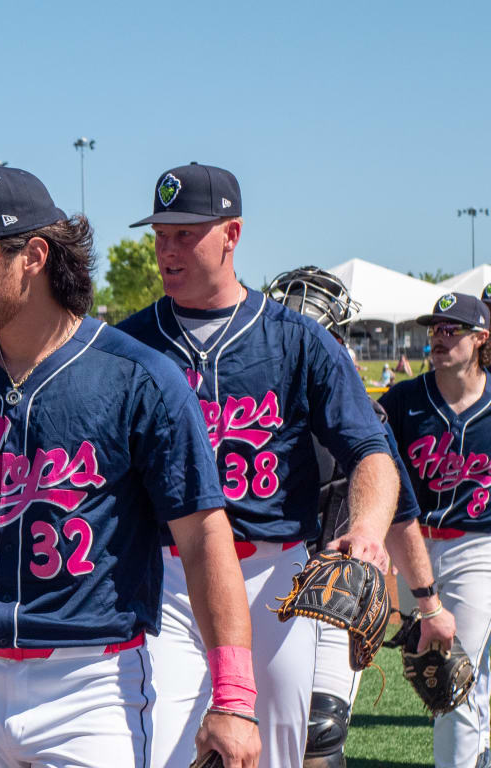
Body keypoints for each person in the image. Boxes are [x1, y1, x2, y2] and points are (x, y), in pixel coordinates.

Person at [0, 163, 259, 768]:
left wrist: (234, 696)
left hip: (91, 684)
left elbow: (203, 539)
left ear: (33, 256)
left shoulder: (138, 378)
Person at [116, 163, 400, 768]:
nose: (167, 249)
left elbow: (371, 452)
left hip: (274, 579)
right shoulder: (131, 345)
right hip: (168, 577)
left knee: (274, 753)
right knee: (161, 750)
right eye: (161, 234)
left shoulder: (298, 340)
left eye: (185, 233)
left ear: (232, 234)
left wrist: (368, 531)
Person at [266, 266, 452, 768]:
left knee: (319, 734)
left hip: (331, 585)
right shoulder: (238, 397)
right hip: (248, 579)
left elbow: (400, 513)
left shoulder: (359, 412)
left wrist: (428, 603)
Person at [379, 292, 491, 768]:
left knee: (452, 679)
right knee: (447, 675)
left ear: (480, 338)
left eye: (451, 329)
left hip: (476, 548)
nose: (439, 338)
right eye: (435, 329)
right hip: (413, 550)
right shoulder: (404, 401)